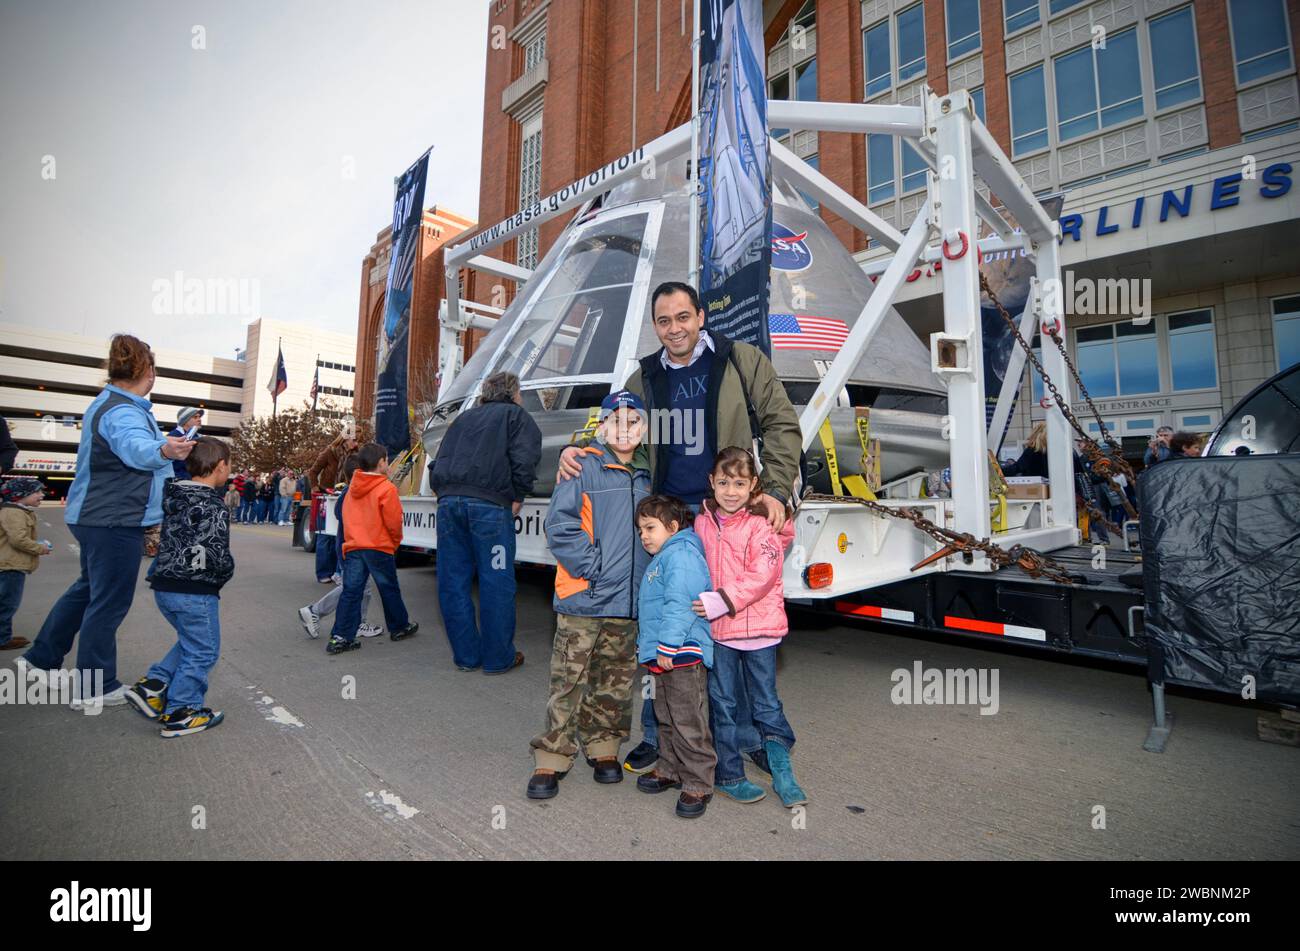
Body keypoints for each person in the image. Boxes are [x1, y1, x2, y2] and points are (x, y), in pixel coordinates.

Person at [559, 281, 802, 774]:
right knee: (662, 622)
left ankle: (748, 734)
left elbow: (781, 423)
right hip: (667, 522)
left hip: (727, 515)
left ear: (700, 317)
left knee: (734, 625)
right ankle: (660, 733)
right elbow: (615, 426)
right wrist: (577, 447)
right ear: (656, 326)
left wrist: (773, 490)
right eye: (665, 321)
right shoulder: (644, 375)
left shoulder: (740, 360)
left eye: (683, 317)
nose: (675, 328)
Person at [19, 334, 194, 706]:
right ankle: (93, 687)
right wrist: (164, 449)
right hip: (113, 518)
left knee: (89, 590)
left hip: (100, 516)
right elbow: (134, 447)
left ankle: (41, 659)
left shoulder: (114, 405)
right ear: (147, 371)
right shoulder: (123, 411)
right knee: (109, 602)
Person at [526, 391, 651, 800]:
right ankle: (553, 756)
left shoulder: (646, 478)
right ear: (602, 427)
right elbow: (560, 526)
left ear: (644, 430)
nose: (625, 428)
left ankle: (603, 748)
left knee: (614, 681)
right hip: (585, 596)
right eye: (617, 420)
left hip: (626, 603)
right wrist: (594, 568)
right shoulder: (581, 467)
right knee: (569, 678)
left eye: (634, 422)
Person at [693, 447, 807, 808]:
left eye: (740, 483)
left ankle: (782, 771)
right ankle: (728, 774)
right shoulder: (702, 522)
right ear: (712, 481)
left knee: (766, 704)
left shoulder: (762, 523)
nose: (730, 491)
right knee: (723, 704)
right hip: (721, 633)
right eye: (723, 482)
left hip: (759, 632)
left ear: (753, 485)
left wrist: (722, 599)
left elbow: (764, 574)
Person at [429, 370, 542, 674]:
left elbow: (436, 462)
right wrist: (518, 494)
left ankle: (466, 657)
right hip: (490, 508)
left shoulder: (463, 419)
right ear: (513, 393)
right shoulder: (516, 417)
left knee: (453, 583)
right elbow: (525, 458)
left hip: (450, 505)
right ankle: (497, 658)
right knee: (496, 582)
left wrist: (446, 491)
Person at [123, 437, 234, 736]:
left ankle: (154, 685)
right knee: (204, 650)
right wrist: (224, 572)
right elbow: (213, 551)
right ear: (221, 466)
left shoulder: (175, 496)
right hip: (193, 590)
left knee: (191, 640)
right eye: (229, 466)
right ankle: (182, 710)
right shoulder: (213, 506)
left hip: (165, 585)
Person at [633, 494, 716, 819]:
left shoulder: (681, 555)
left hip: (681, 654)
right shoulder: (665, 556)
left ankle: (698, 782)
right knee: (665, 717)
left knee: (687, 720)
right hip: (664, 656)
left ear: (673, 525)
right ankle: (669, 768)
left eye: (650, 527)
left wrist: (667, 647)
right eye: (640, 530)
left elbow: (679, 604)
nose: (644, 536)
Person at [325, 442, 418, 654]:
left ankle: (341, 636)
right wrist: (394, 543)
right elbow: (394, 522)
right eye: (386, 460)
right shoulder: (386, 489)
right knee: (388, 588)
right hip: (378, 546)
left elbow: (346, 518)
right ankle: (399, 626)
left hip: (354, 546)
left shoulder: (351, 490)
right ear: (381, 462)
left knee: (351, 591)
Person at [297, 454, 381, 640]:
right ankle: (315, 611)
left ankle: (359, 621)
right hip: (352, 548)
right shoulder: (351, 494)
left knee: (361, 587)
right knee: (355, 586)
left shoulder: (349, 493)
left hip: (351, 547)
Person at [0, 477, 52, 651]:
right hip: (10, 566)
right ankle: (2, 638)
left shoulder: (16, 511)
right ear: (20, 495)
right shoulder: (14, 513)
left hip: (9, 564)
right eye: (36, 492)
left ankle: (3, 634)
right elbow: (18, 539)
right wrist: (39, 548)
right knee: (7, 603)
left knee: (6, 603)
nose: (41, 495)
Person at [167, 408, 203, 480]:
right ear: (185, 420)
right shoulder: (172, 436)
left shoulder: (199, 437)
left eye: (199, 417)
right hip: (178, 481)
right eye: (195, 417)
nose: (199, 419)